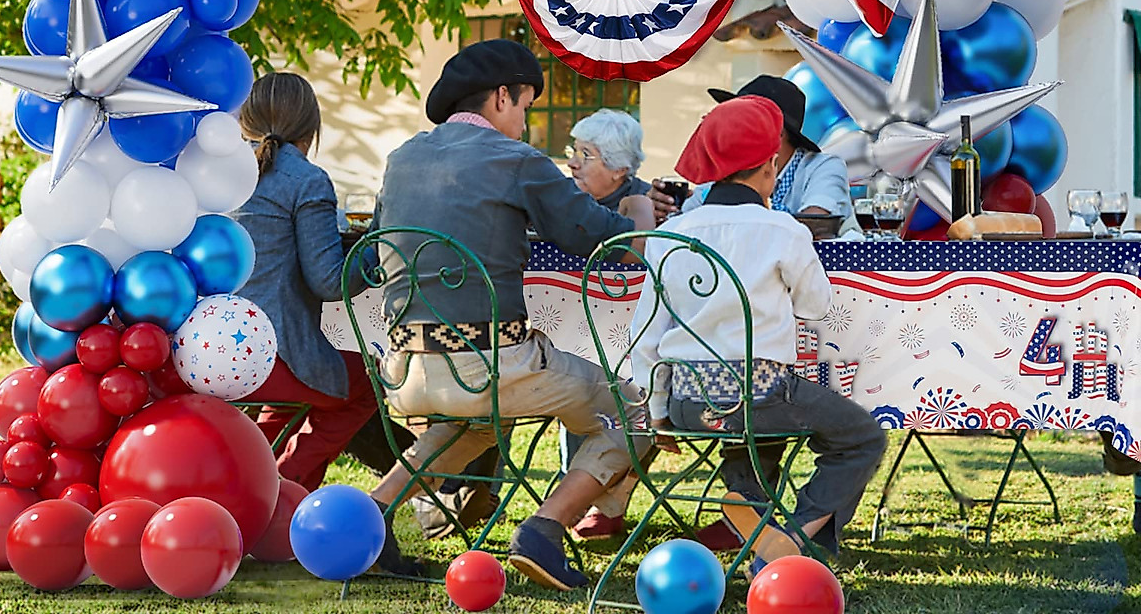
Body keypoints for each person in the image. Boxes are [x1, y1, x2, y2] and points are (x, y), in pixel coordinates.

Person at [362, 39, 658, 590]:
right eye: (524, 105)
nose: (525, 120)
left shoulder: (401, 158)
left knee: (468, 424)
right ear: (501, 97)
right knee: (634, 411)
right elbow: (598, 239)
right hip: (490, 365)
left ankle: (371, 518)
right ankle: (544, 531)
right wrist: (639, 214)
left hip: (405, 371)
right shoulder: (515, 159)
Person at [630, 96, 885, 567]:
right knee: (862, 437)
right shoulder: (783, 230)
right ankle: (790, 540)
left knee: (753, 434)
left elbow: (645, 334)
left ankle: (748, 507)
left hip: (690, 403)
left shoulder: (673, 234)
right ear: (770, 166)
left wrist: (658, 411)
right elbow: (815, 307)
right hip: (762, 396)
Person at [234, 72, 380, 491]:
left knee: (294, 397)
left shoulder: (216, 171)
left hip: (207, 353)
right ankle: (288, 483)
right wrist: (378, 241)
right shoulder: (306, 179)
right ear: (311, 127)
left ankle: (248, 483)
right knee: (368, 381)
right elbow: (331, 282)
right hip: (274, 355)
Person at [562, 109, 653, 542]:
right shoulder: (561, 196)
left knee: (627, 393)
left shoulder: (643, 200)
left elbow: (637, 253)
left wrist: (641, 210)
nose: (573, 163)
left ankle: (600, 500)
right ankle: (579, 492)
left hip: (634, 338)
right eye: (573, 151)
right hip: (568, 328)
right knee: (574, 376)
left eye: (586, 155)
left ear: (619, 168)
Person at [689, 75, 855, 231]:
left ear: (778, 132)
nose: (729, 129)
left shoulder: (823, 167)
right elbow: (687, 220)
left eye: (742, 123)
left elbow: (815, 224)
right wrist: (667, 207)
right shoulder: (727, 164)